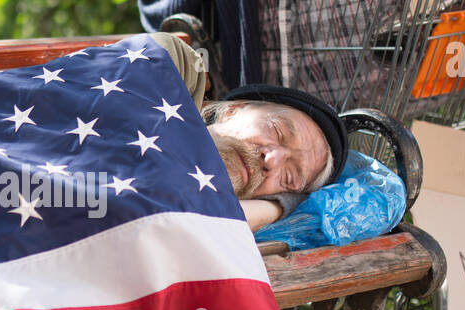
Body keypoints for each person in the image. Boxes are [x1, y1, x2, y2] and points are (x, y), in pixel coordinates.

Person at [149, 32, 347, 231]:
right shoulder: (178, 68)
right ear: (233, 110)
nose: (272, 160)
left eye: (288, 177)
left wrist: (276, 207)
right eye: (276, 131)